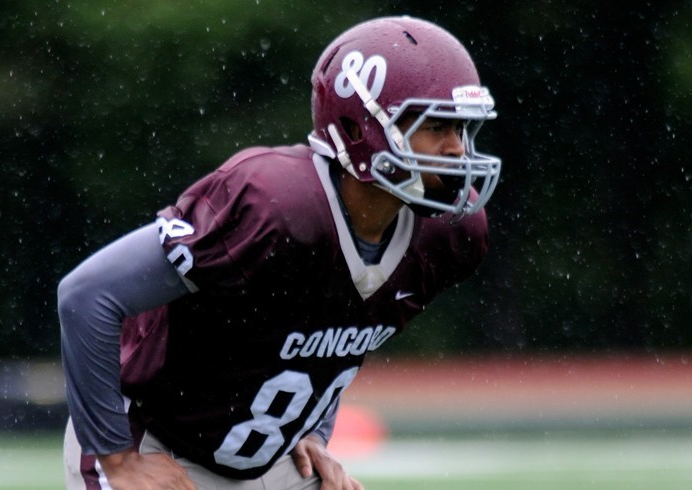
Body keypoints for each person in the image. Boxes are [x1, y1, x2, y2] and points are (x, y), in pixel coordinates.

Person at [58, 15, 501, 490]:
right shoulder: (278, 207)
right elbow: (88, 296)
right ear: (361, 128)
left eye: (461, 128)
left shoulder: (449, 237)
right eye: (436, 127)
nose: (457, 151)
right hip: (156, 441)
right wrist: (118, 458)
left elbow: (335, 335)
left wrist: (309, 430)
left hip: (264, 459)